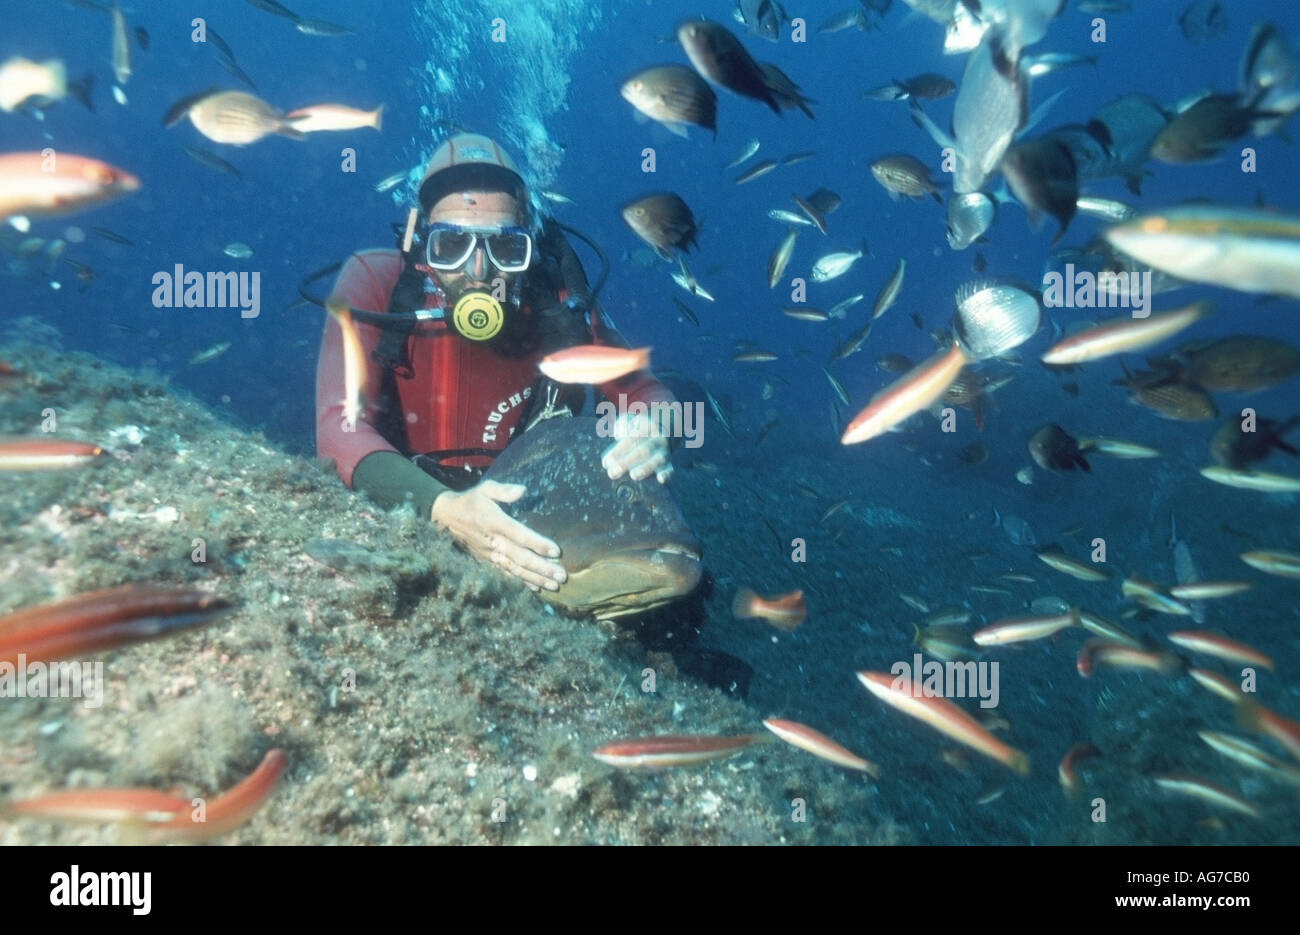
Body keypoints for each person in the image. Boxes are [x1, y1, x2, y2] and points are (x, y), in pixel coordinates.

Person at [316, 133, 678, 594]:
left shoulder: (561, 302)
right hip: (409, 503)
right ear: (418, 241)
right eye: (451, 246)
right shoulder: (374, 281)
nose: (479, 272)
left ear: (531, 245)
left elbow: (645, 390)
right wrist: (444, 508)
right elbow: (336, 427)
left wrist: (654, 428)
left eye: (506, 249)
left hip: (531, 515)